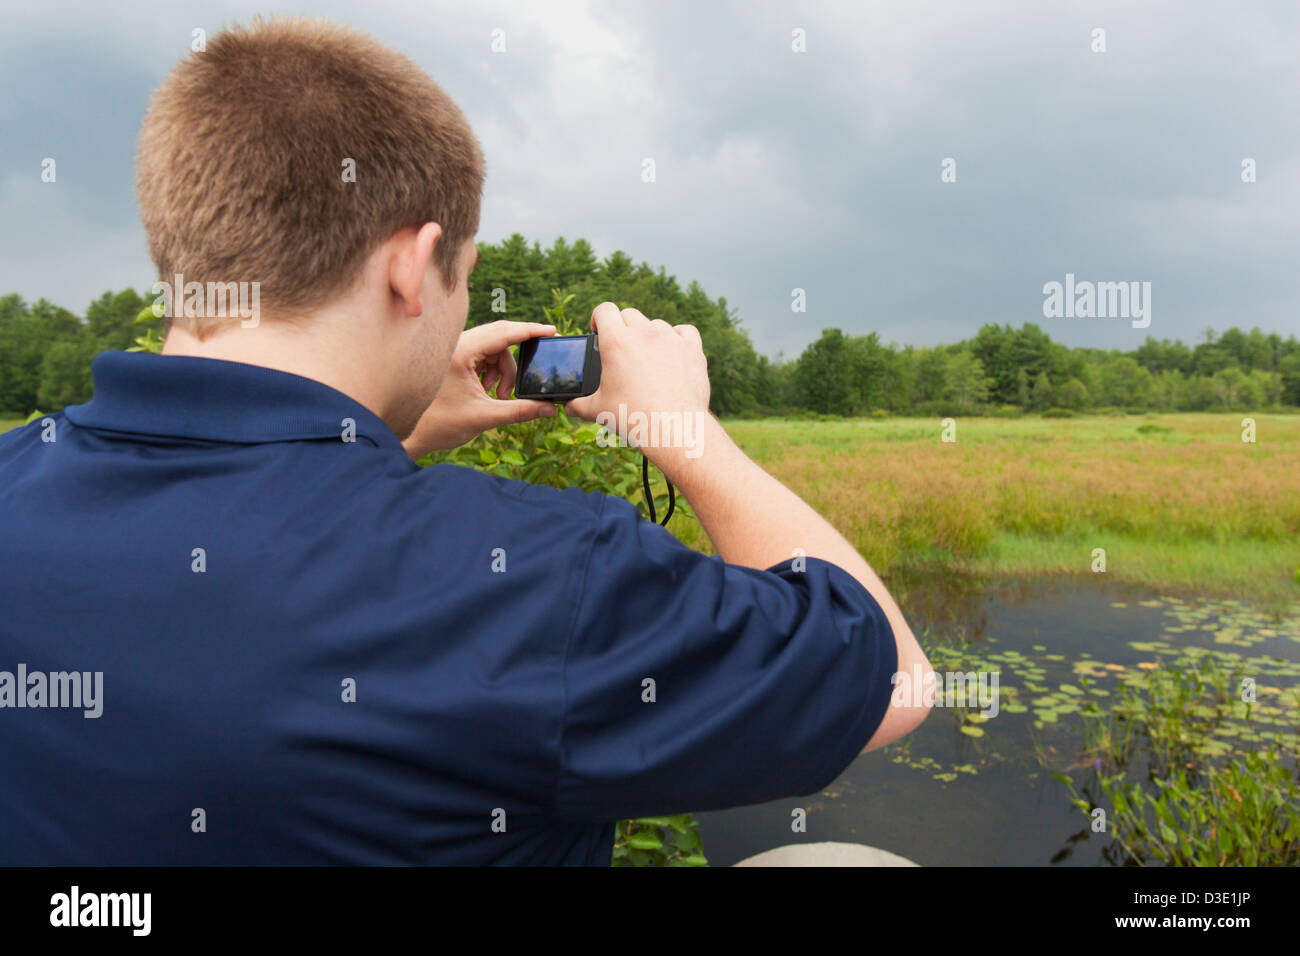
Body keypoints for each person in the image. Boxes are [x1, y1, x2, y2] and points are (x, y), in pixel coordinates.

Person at [0, 16, 932, 865]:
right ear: (413, 267)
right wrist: (682, 431)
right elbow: (891, 681)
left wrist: (378, 442)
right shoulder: (537, 579)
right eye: (464, 278)